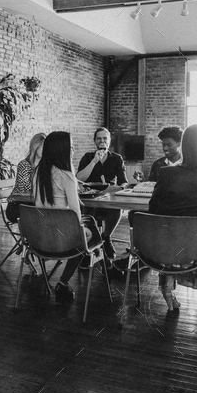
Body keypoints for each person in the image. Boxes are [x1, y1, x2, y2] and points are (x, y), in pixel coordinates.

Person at [147, 124, 197, 312]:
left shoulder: (166, 174)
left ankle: (167, 290)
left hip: (162, 250)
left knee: (171, 233)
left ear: (183, 146)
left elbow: (154, 208)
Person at [33, 131, 102, 302]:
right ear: (61, 150)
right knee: (91, 230)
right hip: (62, 241)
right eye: (71, 146)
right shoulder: (66, 176)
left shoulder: (36, 173)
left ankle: (100, 256)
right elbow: (75, 216)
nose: (74, 150)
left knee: (88, 225)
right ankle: (63, 282)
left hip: (40, 239)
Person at [76, 127, 127, 261]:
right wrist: (94, 161)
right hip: (90, 198)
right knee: (87, 211)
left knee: (116, 209)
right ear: (94, 141)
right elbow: (79, 178)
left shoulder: (117, 158)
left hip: (108, 198)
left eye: (105, 138)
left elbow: (123, 182)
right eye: (99, 138)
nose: (102, 141)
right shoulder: (87, 157)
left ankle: (106, 237)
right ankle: (91, 245)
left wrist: (120, 189)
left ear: (109, 141)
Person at [6, 132, 46, 223]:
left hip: (35, 205)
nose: (46, 151)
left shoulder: (44, 166)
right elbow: (23, 190)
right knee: (46, 216)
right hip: (17, 206)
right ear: (35, 147)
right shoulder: (24, 165)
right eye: (43, 147)